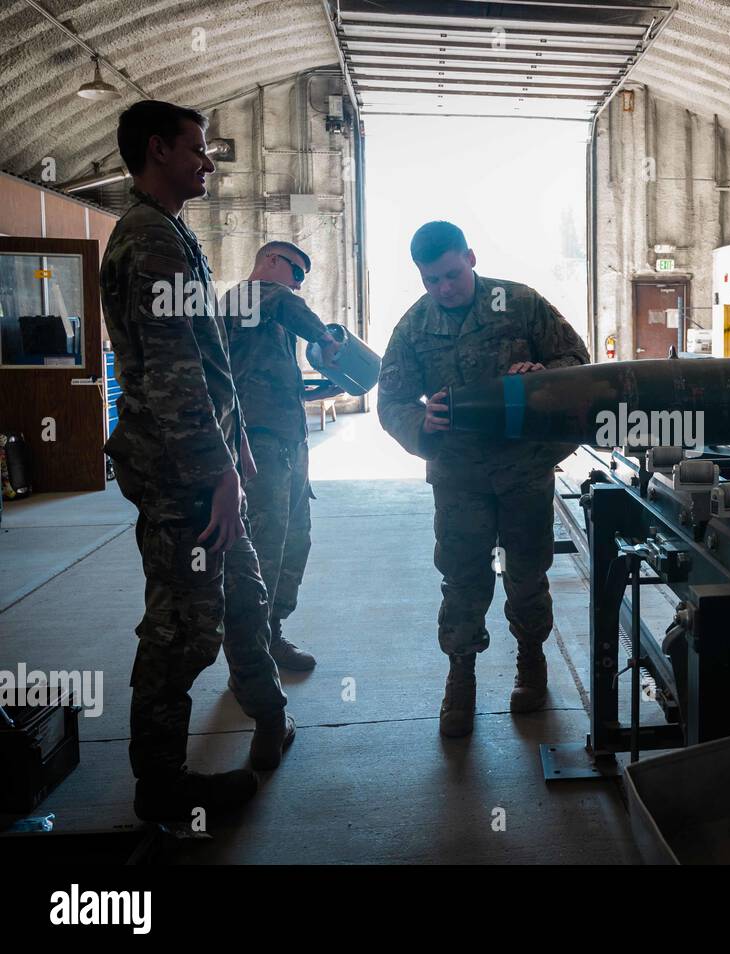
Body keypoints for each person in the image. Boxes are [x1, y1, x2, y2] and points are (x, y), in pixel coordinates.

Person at [100, 101, 294, 822]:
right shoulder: (150, 239)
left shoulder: (171, 233)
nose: (208, 162)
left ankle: (270, 716)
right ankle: (163, 788)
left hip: (206, 460)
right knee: (181, 631)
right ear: (158, 150)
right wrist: (216, 475)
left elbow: (208, 362)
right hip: (182, 475)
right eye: (198, 149)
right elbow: (172, 375)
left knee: (243, 595)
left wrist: (237, 439)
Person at [377, 222, 589, 738]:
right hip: (459, 475)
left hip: (523, 467)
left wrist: (541, 375)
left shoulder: (519, 303)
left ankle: (531, 663)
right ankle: (461, 679)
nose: (444, 288)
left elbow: (577, 362)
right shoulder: (413, 328)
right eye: (432, 281)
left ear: (470, 258)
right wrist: (418, 424)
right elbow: (392, 401)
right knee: (463, 577)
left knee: (527, 571)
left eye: (452, 274)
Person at [220, 242, 343, 672]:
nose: (296, 283)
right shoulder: (246, 298)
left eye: (302, 278)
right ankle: (248, 658)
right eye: (295, 272)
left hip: (290, 442)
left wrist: (314, 391)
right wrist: (326, 337)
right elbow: (285, 303)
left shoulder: (272, 313)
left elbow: (268, 377)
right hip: (258, 446)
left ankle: (271, 634)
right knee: (263, 548)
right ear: (270, 261)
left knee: (294, 541)